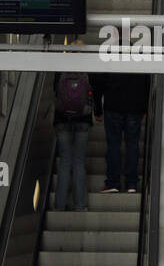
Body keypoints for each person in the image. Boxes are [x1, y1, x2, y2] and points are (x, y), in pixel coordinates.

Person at [93, 72, 150, 193]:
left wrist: (97, 108)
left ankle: (113, 182)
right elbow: (146, 80)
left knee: (113, 145)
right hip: (135, 106)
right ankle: (131, 184)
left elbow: (99, 80)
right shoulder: (139, 55)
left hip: (113, 105)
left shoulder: (110, 54)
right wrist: (144, 107)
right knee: (132, 145)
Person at [53, 43, 93, 210]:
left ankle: (60, 206)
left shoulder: (60, 67)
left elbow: (54, 92)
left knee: (64, 163)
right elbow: (92, 92)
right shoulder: (88, 68)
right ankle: (80, 205)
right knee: (78, 162)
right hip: (83, 120)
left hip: (62, 120)